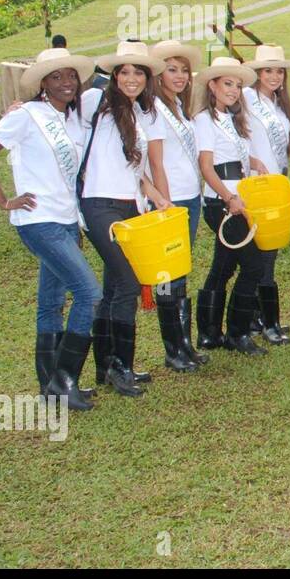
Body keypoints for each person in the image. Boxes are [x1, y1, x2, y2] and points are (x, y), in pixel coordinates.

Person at [0, 47, 100, 410]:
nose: (66, 82)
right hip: (38, 221)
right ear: (42, 83)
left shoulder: (72, 119)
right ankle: (65, 379)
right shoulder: (27, 115)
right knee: (90, 295)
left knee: (51, 303)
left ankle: (49, 385)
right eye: (56, 76)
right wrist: (3, 200)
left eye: (71, 75)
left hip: (65, 219)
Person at [77, 42, 171, 397]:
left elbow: (135, 168)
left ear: (147, 78)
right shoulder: (95, 103)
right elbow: (59, 112)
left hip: (131, 204)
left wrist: (157, 197)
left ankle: (108, 364)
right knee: (129, 284)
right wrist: (22, 106)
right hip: (101, 205)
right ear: (114, 76)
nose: (132, 78)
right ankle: (121, 366)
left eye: (139, 72)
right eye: (125, 71)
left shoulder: (137, 113)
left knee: (117, 285)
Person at [193, 57, 268, 355]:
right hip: (222, 203)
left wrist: (254, 161)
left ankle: (210, 333)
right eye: (228, 83)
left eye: (237, 86)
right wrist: (228, 197)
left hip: (240, 197)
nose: (234, 90)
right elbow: (207, 165)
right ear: (212, 85)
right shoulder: (204, 119)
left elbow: (233, 154)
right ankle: (238, 332)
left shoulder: (231, 118)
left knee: (223, 267)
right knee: (253, 265)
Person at [147, 40, 206, 372]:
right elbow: (154, 164)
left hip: (190, 198)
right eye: (172, 70)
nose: (180, 76)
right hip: (169, 201)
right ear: (158, 73)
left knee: (180, 271)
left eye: (184, 70)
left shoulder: (181, 108)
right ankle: (174, 349)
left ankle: (185, 344)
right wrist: (164, 204)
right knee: (168, 275)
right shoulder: (153, 109)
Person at [243, 44, 290, 345]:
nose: (274, 76)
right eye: (268, 71)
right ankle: (266, 322)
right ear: (257, 73)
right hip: (255, 185)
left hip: (276, 184)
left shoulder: (278, 103)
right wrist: (252, 161)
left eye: (279, 71)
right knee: (261, 255)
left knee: (268, 253)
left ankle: (260, 318)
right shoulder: (247, 98)